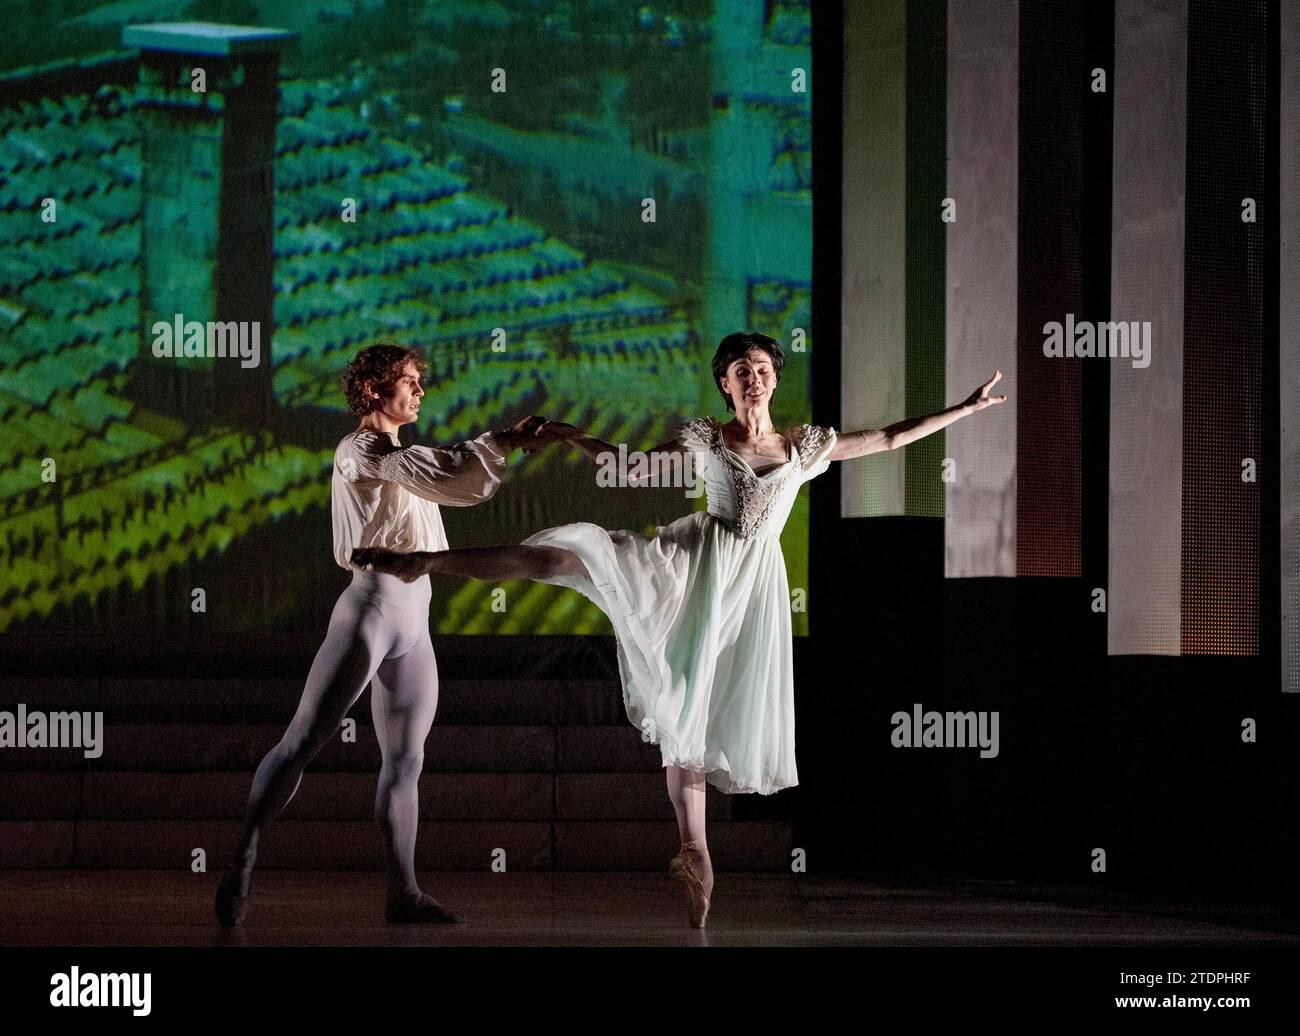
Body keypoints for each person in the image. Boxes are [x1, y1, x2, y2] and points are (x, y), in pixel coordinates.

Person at [353, 331, 1007, 927]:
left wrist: (963, 409)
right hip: (689, 565)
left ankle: (694, 851)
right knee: (560, 559)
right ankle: (426, 560)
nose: (753, 378)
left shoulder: (805, 447)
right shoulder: (707, 438)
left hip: (749, 593)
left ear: (773, 380)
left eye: (761, 369)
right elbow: (633, 465)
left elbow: (887, 439)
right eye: (740, 371)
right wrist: (569, 434)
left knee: (688, 712)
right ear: (725, 384)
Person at [215, 342, 557, 926]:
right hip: (370, 610)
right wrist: (501, 441)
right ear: (374, 390)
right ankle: (245, 851)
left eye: (421, 380)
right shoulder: (363, 449)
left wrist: (503, 445)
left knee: (406, 761)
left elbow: (452, 481)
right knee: (304, 740)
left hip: (414, 620)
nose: (421, 390)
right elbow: (445, 472)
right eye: (410, 381)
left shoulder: (400, 452)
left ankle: (403, 891)